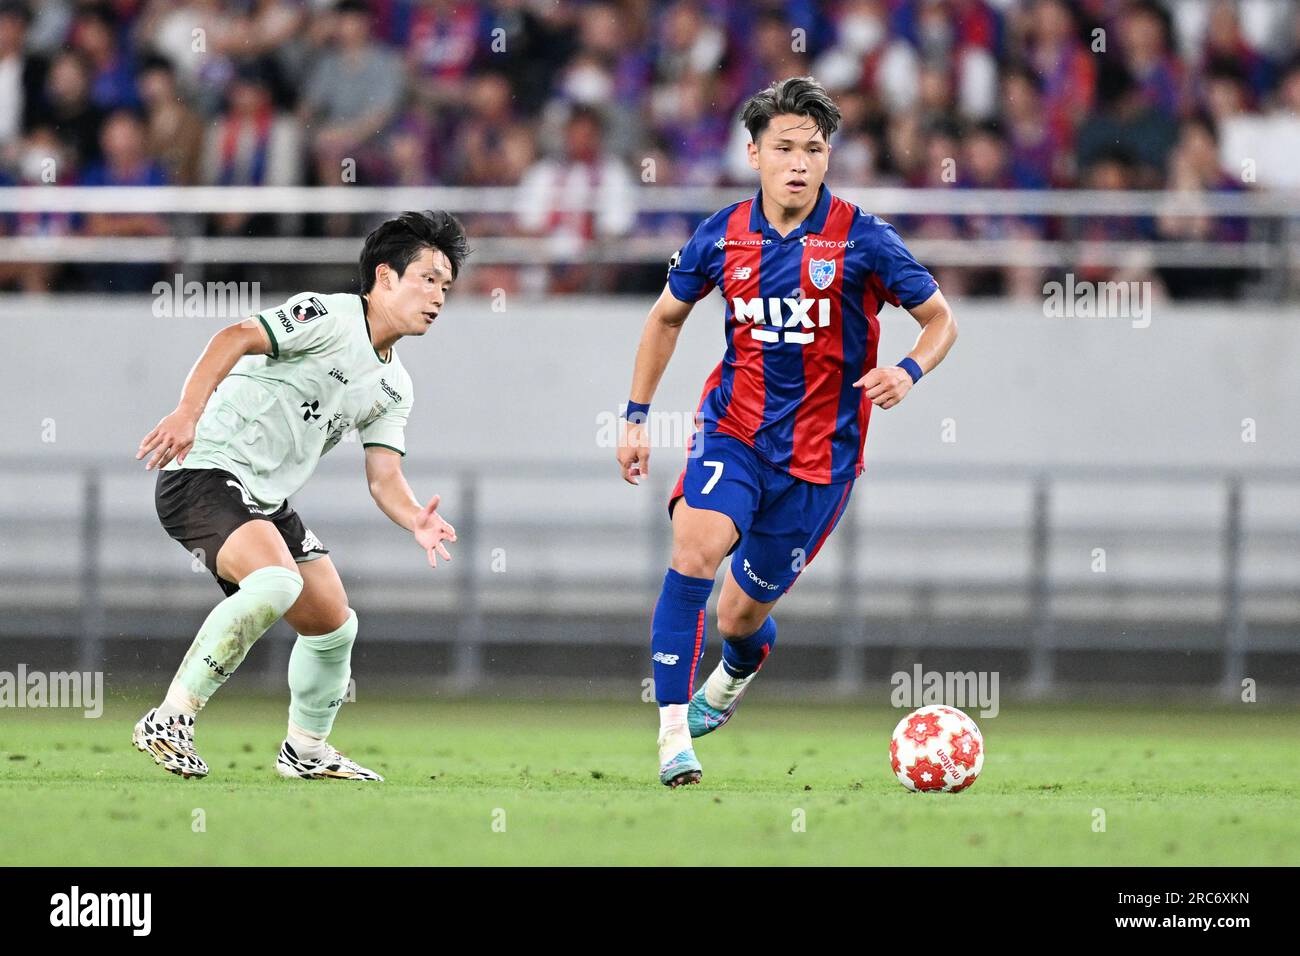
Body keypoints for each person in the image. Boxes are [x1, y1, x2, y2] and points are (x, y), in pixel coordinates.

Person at [616, 77, 957, 787]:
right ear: (754, 154)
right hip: (732, 431)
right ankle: (673, 738)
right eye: (784, 148)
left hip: (819, 462)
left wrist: (908, 371)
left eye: (813, 148)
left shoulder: (865, 239)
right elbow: (665, 318)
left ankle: (737, 669)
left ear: (829, 158)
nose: (798, 161)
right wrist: (637, 415)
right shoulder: (723, 233)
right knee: (694, 550)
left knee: (741, 614)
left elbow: (941, 321)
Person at [132, 211, 467, 781]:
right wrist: (188, 412)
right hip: (205, 471)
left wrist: (415, 518)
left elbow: (383, 475)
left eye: (446, 286)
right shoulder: (330, 315)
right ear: (385, 277)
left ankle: (306, 752)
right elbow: (234, 336)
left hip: (262, 499)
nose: (438, 297)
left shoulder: (395, 385)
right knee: (278, 582)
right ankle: (170, 718)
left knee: (335, 624)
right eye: (428, 279)